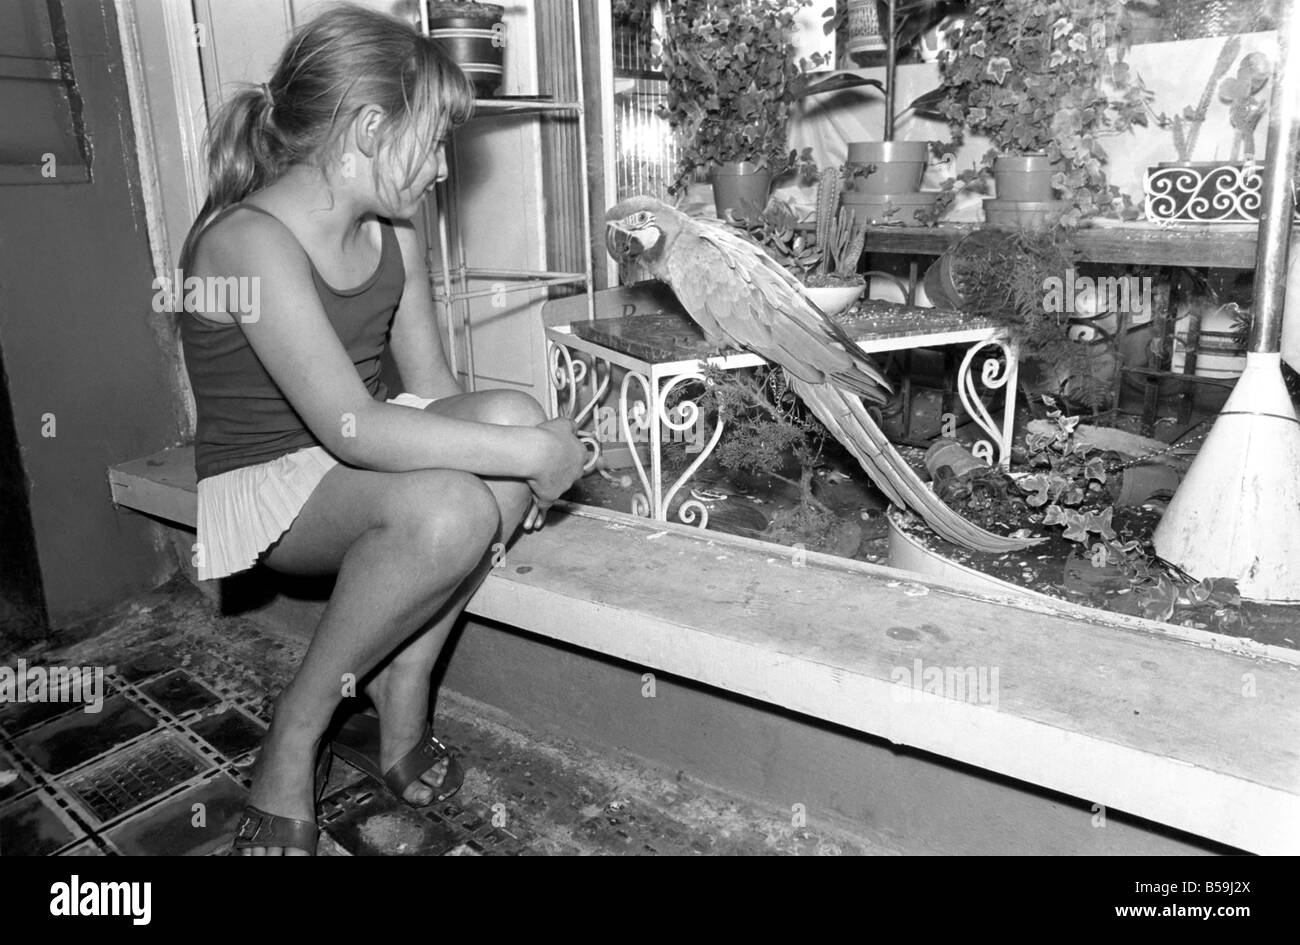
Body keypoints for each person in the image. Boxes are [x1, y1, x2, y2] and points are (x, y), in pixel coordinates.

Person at [176, 4, 588, 855]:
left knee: (510, 416)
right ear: (368, 127)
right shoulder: (248, 243)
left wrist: (524, 444)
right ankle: (297, 731)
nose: (442, 168)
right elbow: (354, 426)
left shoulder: (394, 226)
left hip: (348, 453)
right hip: (270, 482)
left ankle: (405, 681)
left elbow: (431, 390)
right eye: (434, 141)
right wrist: (528, 457)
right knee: (457, 506)